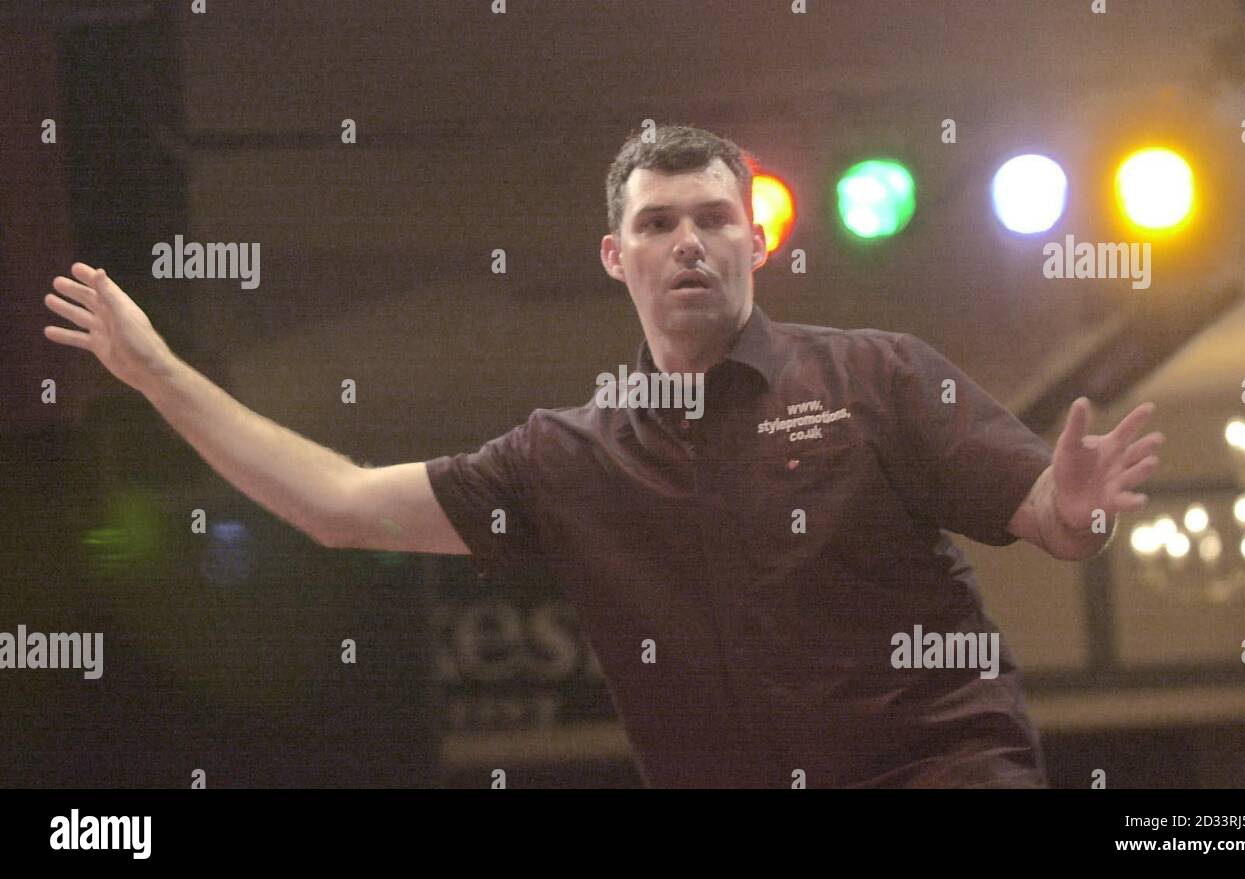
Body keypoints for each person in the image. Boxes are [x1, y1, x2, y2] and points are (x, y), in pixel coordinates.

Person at [43, 124, 1163, 788]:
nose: (691, 241)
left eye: (717, 219)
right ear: (614, 255)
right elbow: (339, 504)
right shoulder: (564, 460)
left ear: (758, 240)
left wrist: (1083, 510)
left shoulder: (875, 375)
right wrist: (156, 377)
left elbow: (1061, 523)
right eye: (662, 222)